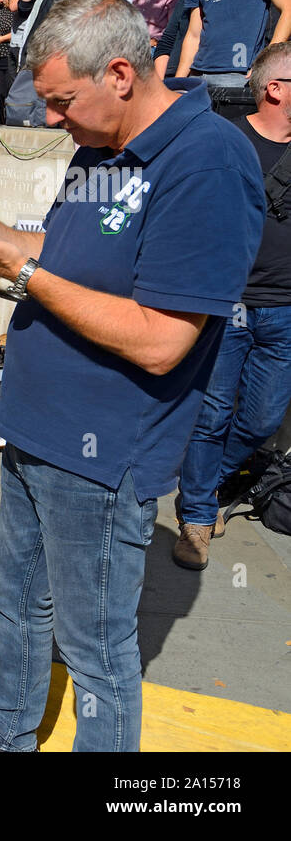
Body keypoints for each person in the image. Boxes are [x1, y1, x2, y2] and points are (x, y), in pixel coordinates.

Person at [0, 0, 263, 752]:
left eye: (62, 101)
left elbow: (163, 339)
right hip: (38, 427)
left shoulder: (206, 160)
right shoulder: (102, 145)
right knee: (15, 598)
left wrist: (19, 266)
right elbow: (69, 252)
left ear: (123, 74)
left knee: (96, 651)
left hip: (102, 453)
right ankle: (7, 732)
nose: (47, 119)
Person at [174, 43, 291, 569]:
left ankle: (203, 481)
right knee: (213, 413)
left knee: (263, 420)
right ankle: (197, 514)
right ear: (275, 89)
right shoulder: (226, 139)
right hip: (229, 305)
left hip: (286, 312)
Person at [154, 0, 215, 80]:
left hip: (201, 76)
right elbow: (166, 43)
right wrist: (159, 83)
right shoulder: (185, 2)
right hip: (172, 74)